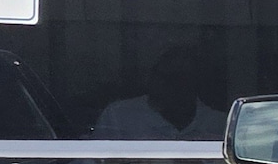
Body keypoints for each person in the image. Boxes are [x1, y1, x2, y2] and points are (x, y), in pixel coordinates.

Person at [92, 42, 229, 141]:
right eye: (164, 76)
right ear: (152, 77)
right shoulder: (119, 116)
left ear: (196, 82)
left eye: (180, 78)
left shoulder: (219, 124)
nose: (171, 85)